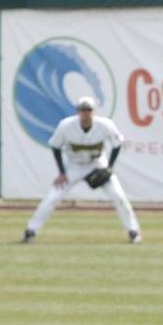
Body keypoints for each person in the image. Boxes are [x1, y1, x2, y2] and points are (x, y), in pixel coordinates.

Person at [22, 96, 141, 244]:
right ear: (77, 112)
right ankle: (31, 230)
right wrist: (62, 172)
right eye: (83, 110)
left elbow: (117, 143)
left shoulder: (105, 125)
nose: (86, 113)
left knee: (118, 196)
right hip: (74, 166)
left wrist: (109, 167)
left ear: (94, 111)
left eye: (89, 110)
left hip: (98, 163)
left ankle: (133, 231)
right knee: (52, 197)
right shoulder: (66, 126)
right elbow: (56, 146)